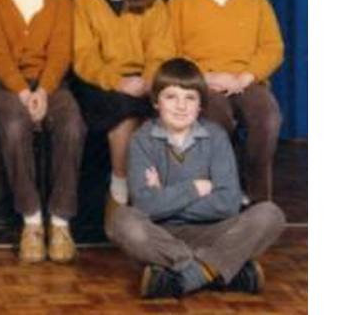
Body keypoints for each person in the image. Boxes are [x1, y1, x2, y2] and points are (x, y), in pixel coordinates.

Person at [106, 58, 285, 299]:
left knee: (270, 214)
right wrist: (195, 188)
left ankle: (186, 275)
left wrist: (165, 198)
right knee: (121, 221)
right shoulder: (143, 139)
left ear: (200, 105)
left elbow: (228, 204)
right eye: (171, 97)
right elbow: (145, 206)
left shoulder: (216, 136)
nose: (181, 106)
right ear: (156, 102)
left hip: (213, 231)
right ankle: (221, 268)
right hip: (162, 234)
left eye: (189, 98)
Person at [0, 0, 84, 263]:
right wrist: (25, 95)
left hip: (52, 84)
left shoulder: (59, 0)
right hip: (11, 85)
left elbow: (60, 53)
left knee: (72, 125)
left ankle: (59, 221)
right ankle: (31, 220)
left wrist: (42, 91)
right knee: (13, 126)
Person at [167, 0, 283, 203]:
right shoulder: (180, 2)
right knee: (216, 119)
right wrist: (204, 77)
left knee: (267, 118)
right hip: (202, 83)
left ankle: (259, 199)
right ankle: (228, 188)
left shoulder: (255, 1)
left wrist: (245, 77)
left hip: (245, 81)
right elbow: (171, 52)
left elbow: (272, 47)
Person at [71, 0, 175, 217]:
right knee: (125, 115)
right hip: (99, 84)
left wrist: (147, 80)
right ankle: (119, 193)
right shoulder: (82, 1)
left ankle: (147, 197)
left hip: (145, 82)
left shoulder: (153, 2)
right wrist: (117, 82)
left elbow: (161, 51)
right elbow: (84, 56)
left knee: (151, 117)